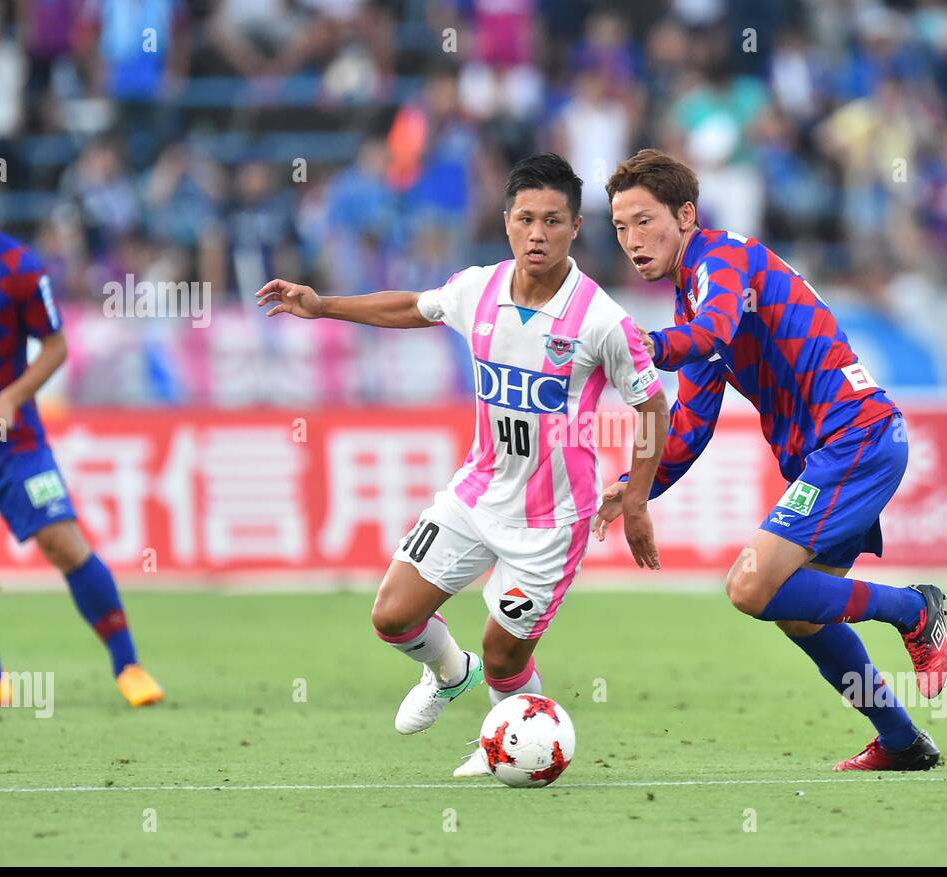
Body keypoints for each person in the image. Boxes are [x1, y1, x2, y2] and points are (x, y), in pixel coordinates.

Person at [257, 154, 668, 774]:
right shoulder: (477, 288)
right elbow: (412, 310)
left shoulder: (603, 321)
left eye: (552, 221)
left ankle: (506, 742)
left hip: (551, 520)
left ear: (575, 227)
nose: (537, 233)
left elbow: (651, 406)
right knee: (392, 615)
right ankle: (449, 673)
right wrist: (324, 306)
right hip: (476, 494)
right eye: (525, 218)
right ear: (505, 221)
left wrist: (635, 500)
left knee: (503, 654)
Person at [597, 149, 947, 771]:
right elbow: (690, 428)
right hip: (835, 450)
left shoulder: (722, 259)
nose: (631, 240)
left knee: (751, 586)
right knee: (795, 612)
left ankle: (915, 610)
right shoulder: (690, 301)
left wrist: (640, 346)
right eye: (620, 227)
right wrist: (633, 486)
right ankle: (901, 742)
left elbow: (711, 330)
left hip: (855, 437)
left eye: (644, 221)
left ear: (685, 215)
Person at [0, 135, 163, 709]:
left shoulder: (17, 267)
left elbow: (55, 346)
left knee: (61, 541)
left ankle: (128, 666)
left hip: (14, 443)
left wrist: (11, 397)